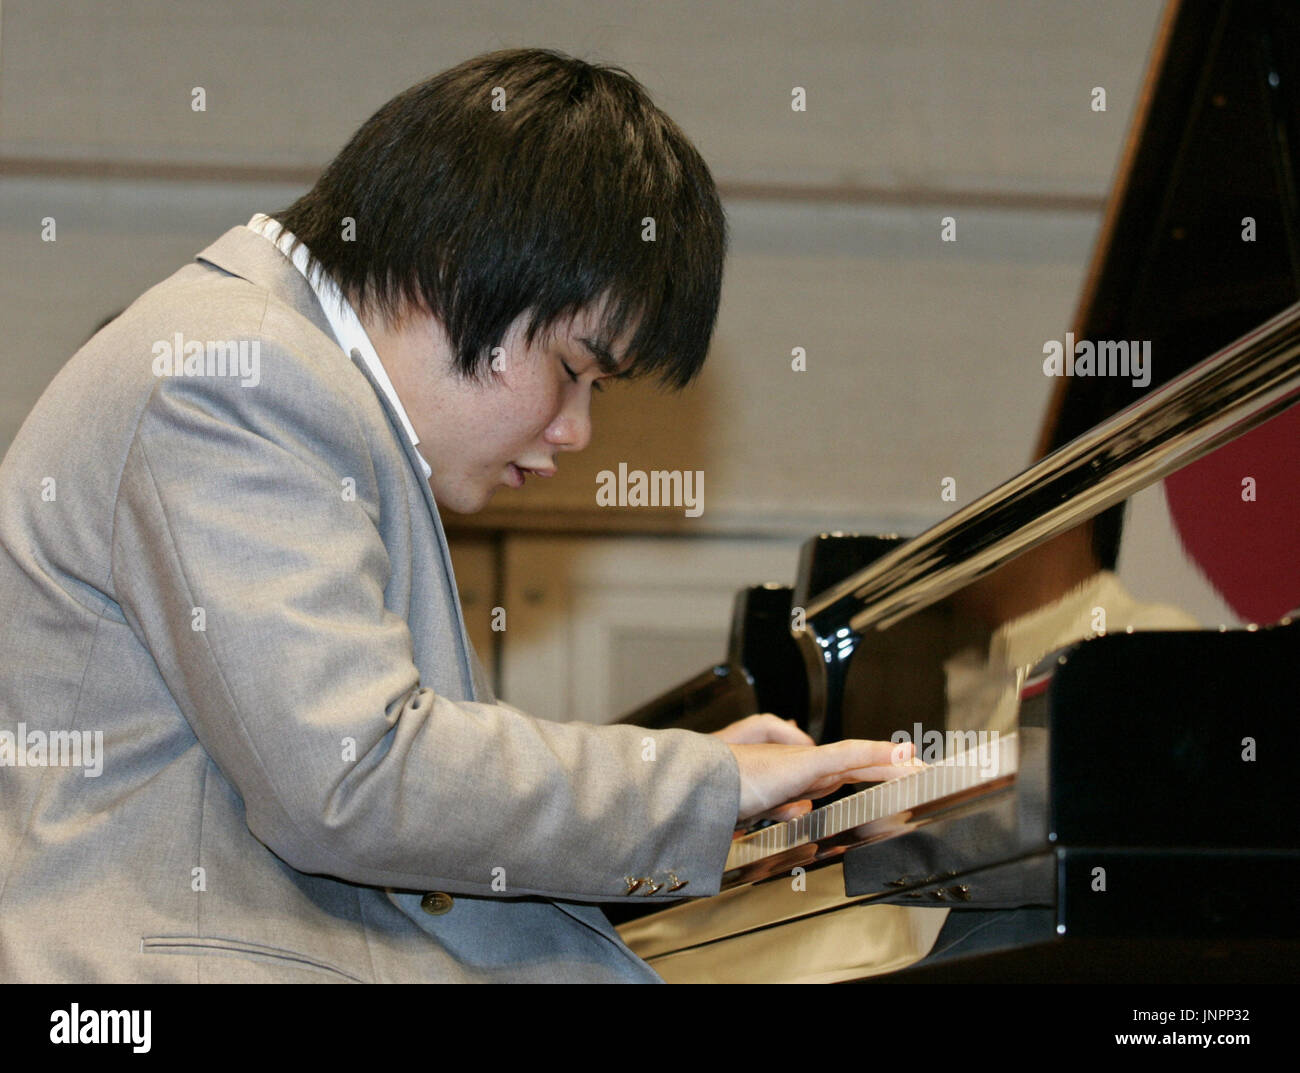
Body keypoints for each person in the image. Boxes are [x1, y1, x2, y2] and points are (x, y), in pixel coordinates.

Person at [0, 47, 912, 983]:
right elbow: (356, 777)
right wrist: (695, 790)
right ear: (452, 268)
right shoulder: (240, 375)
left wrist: (686, 794)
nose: (576, 431)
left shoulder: (281, 368)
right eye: (573, 369)